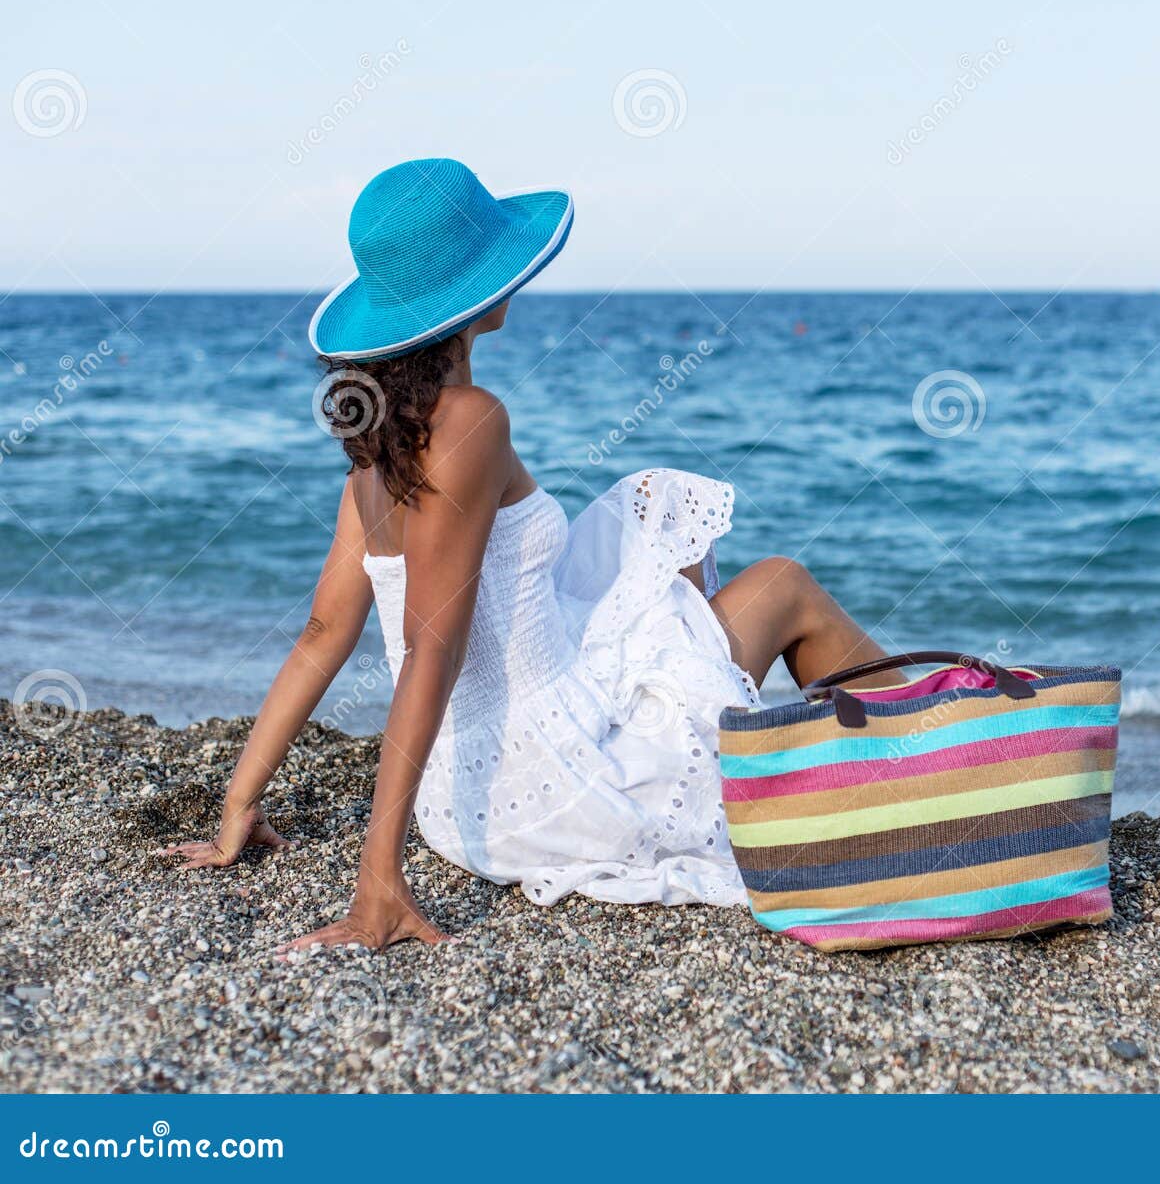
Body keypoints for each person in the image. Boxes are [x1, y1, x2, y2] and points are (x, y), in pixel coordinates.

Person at [160, 159, 901, 954]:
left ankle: (904, 752)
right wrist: (378, 884)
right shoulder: (470, 421)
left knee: (664, 557)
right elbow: (431, 647)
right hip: (551, 782)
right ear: (469, 297)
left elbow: (320, 636)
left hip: (456, 799)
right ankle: (931, 753)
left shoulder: (371, 472)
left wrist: (238, 804)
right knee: (784, 585)